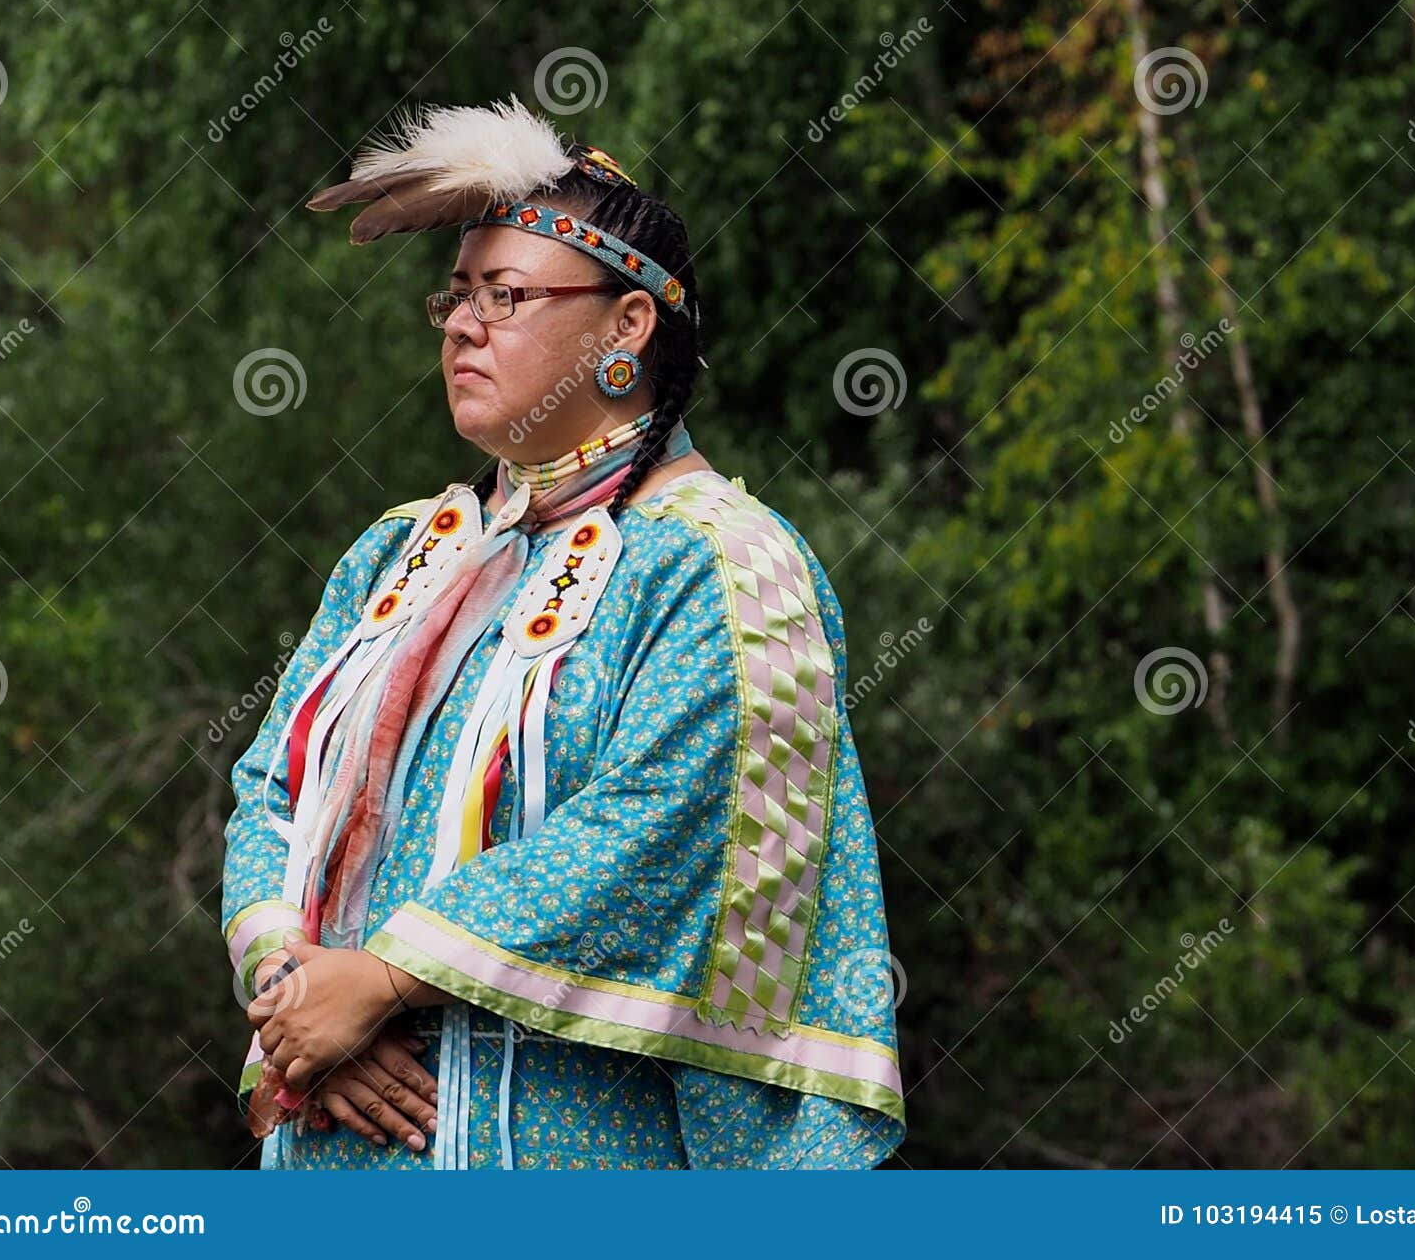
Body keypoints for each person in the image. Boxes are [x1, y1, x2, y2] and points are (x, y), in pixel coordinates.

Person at [220, 94, 906, 1169]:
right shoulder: (399, 557)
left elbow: (650, 827)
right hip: (331, 1155)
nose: (459, 324)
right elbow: (272, 787)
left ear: (626, 325)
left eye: (507, 294)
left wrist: (383, 978)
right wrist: (301, 1002)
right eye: (455, 296)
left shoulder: (720, 563)